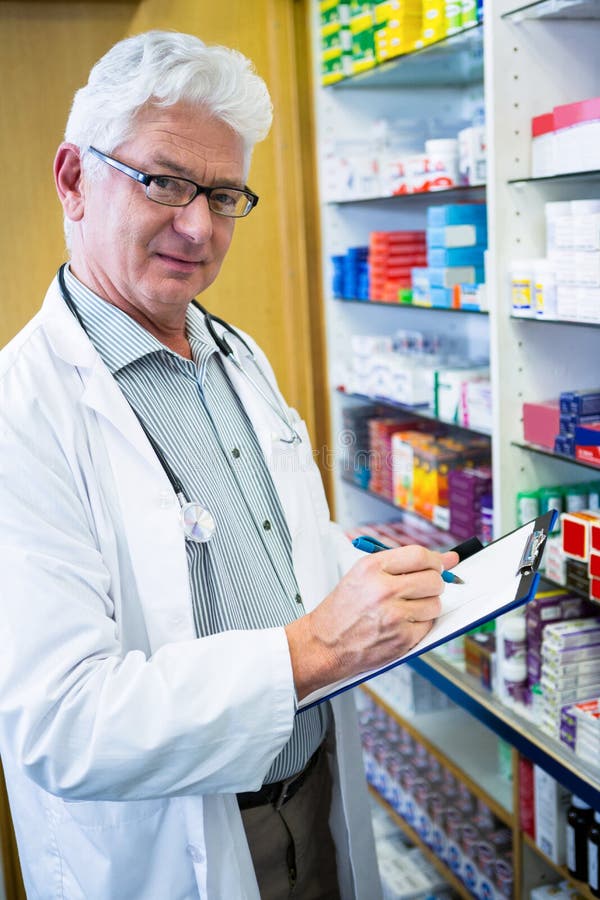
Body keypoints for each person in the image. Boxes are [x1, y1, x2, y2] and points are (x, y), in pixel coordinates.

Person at [0, 31, 457, 900]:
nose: (199, 227)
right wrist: (315, 650)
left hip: (315, 797)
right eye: (165, 182)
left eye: (222, 194)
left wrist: (384, 583)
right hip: (179, 845)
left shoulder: (233, 353)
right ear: (73, 178)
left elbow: (281, 548)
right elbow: (63, 724)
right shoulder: (20, 413)